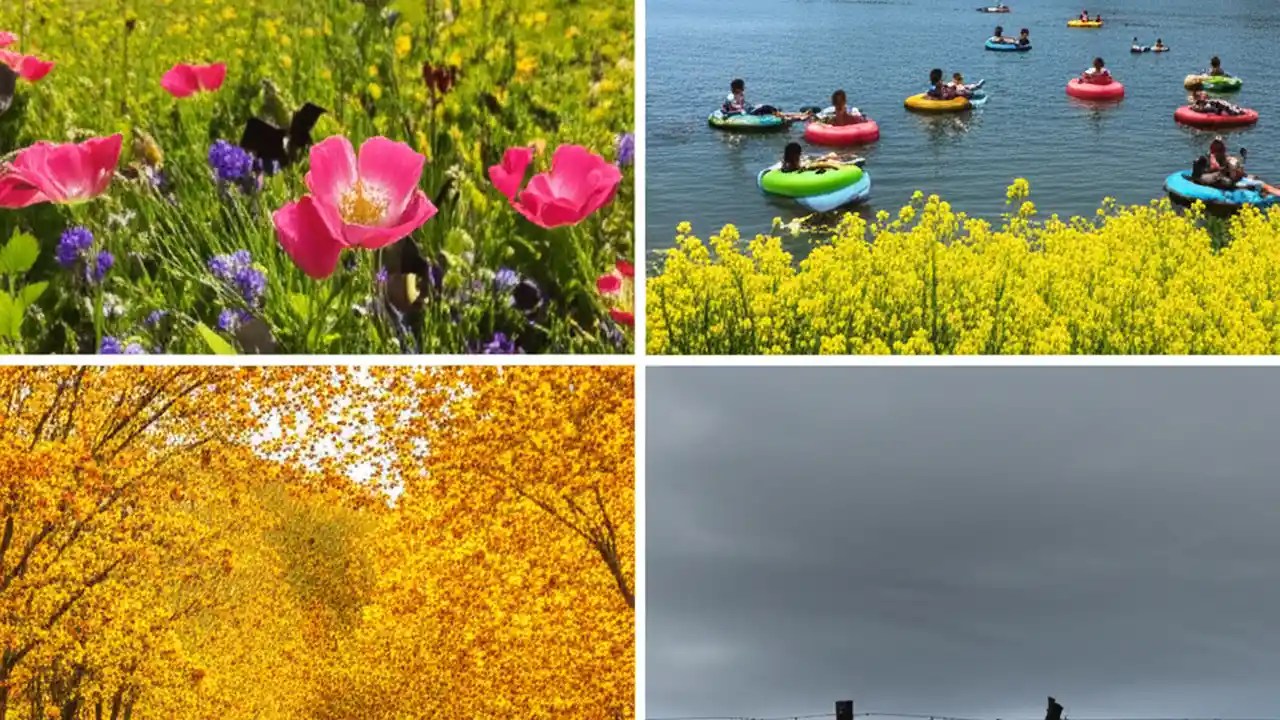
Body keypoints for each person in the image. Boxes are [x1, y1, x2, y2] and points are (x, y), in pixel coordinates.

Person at [721, 78, 812, 121]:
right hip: (747, 114)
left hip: (749, 110)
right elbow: (731, 110)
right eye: (743, 86)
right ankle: (797, 118)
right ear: (737, 88)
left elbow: (743, 105)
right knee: (767, 108)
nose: (745, 87)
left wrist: (751, 107)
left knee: (769, 108)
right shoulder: (732, 98)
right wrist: (729, 114)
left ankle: (800, 114)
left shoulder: (740, 94)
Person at [779, 142, 844, 173]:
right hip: (809, 165)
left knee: (832, 155)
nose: (800, 154)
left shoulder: (786, 161)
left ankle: (842, 159)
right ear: (796, 154)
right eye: (799, 153)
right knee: (832, 157)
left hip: (808, 163)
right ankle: (844, 163)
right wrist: (832, 166)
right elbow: (812, 166)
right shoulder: (792, 164)